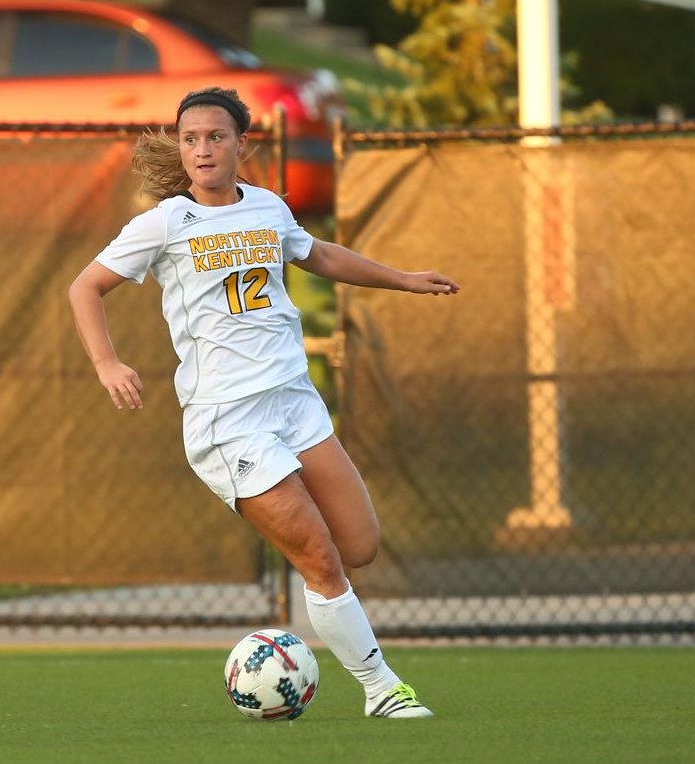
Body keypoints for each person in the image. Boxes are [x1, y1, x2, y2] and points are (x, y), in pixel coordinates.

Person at [67, 87, 459, 719]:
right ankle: (382, 688)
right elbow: (86, 287)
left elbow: (320, 254)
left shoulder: (268, 208)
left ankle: (325, 625)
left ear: (241, 144)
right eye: (190, 138)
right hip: (229, 422)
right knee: (322, 560)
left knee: (358, 546)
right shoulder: (166, 223)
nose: (202, 149)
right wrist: (107, 363)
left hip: (294, 405)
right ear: (181, 145)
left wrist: (403, 278)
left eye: (215, 137)